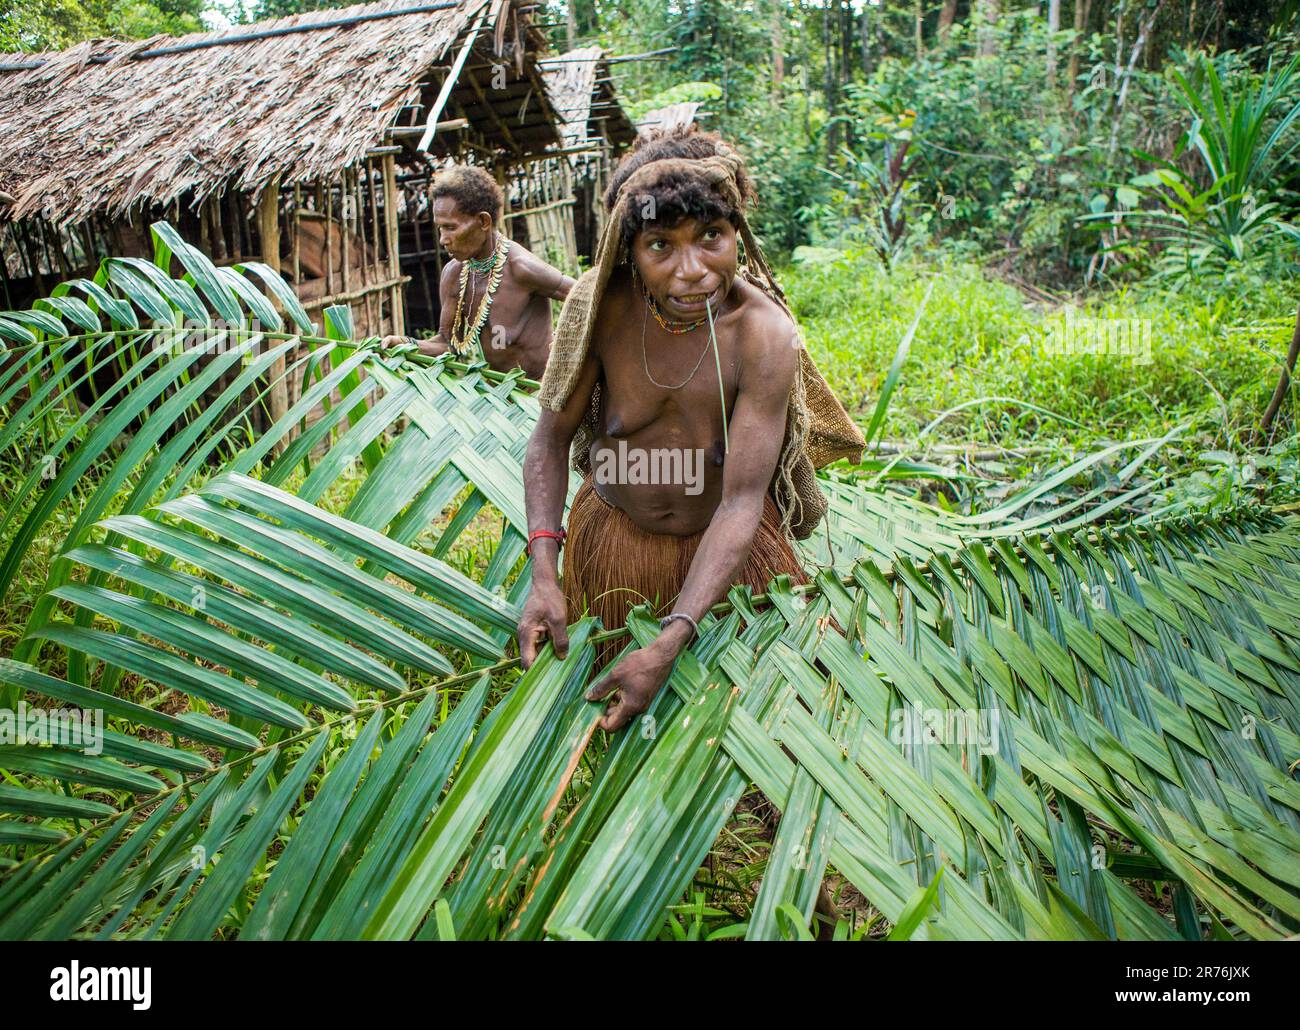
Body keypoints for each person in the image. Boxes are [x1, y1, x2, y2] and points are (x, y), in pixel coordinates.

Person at [517, 129, 864, 733]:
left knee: (754, 739)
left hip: (731, 555)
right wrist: (545, 575)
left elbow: (742, 499)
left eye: (711, 237)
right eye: (660, 245)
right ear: (629, 249)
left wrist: (673, 636)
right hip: (615, 543)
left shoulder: (764, 336)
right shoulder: (599, 310)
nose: (693, 271)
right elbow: (548, 441)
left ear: (738, 234)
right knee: (618, 738)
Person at [382, 165, 574, 379]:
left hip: (543, 393)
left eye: (451, 228)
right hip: (499, 396)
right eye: (440, 228)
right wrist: (406, 344)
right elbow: (447, 344)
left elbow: (587, 295)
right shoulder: (454, 275)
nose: (443, 239)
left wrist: (570, 346)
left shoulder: (521, 268)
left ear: (483, 221)